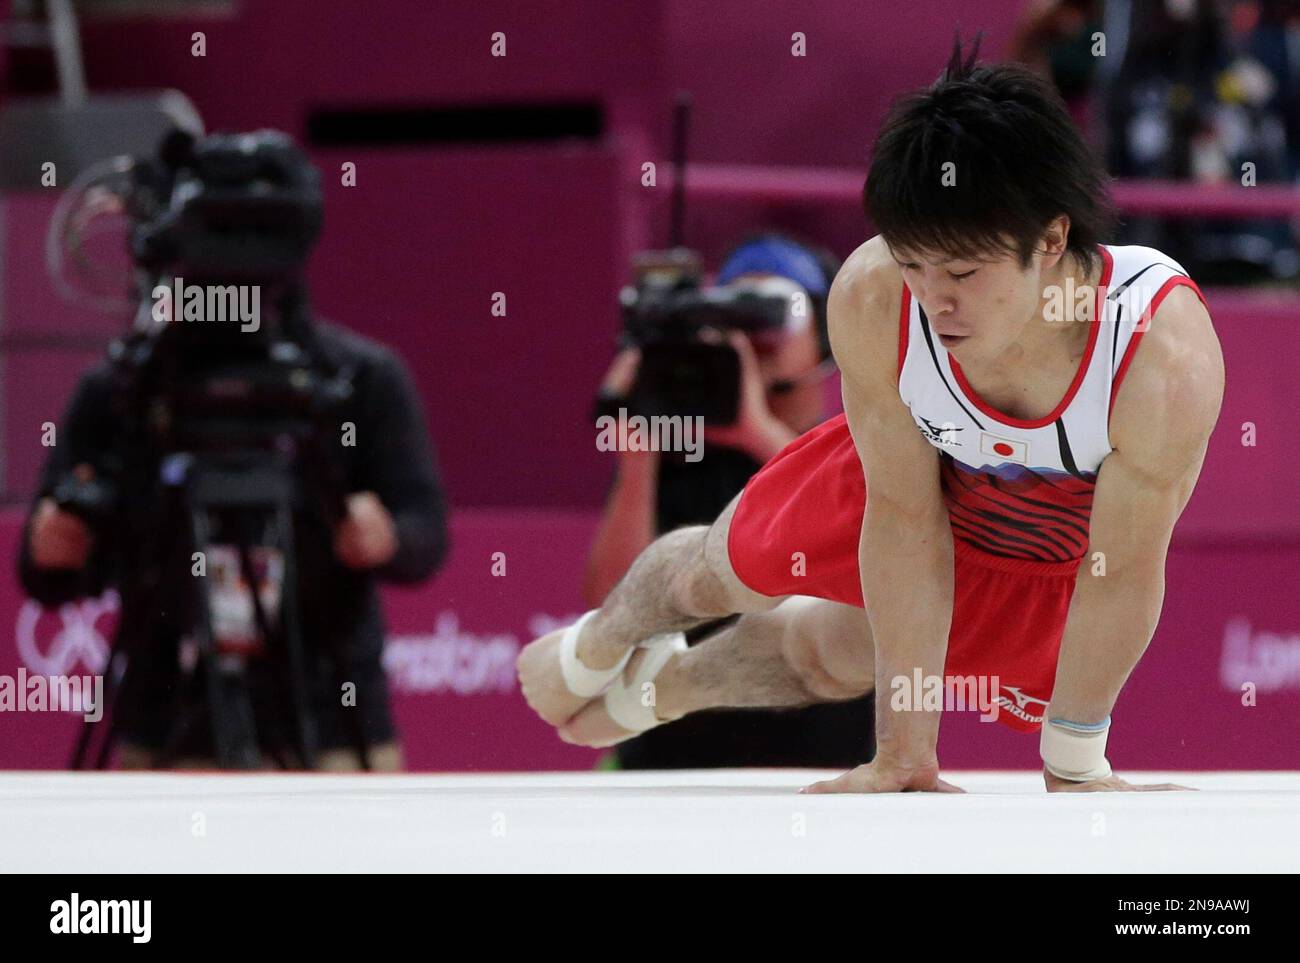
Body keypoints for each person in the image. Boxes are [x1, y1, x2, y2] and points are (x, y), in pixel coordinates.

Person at [517, 37, 1224, 793]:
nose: (933, 299)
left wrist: (1077, 765)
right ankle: (600, 643)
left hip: (1048, 542)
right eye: (914, 262)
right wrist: (904, 755)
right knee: (726, 575)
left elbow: (1119, 572)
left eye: (961, 272)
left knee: (829, 657)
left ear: (1051, 240)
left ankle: (659, 690)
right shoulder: (874, 294)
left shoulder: (1159, 357)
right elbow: (904, 520)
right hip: (911, 475)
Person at [585, 234, 876, 769]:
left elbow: (872, 546)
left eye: (769, 312)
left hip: (827, 763)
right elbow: (609, 605)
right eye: (734, 312)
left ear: (827, 337)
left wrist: (758, 434)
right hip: (669, 766)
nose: (751, 335)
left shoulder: (858, 445)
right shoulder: (681, 462)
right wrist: (638, 459)